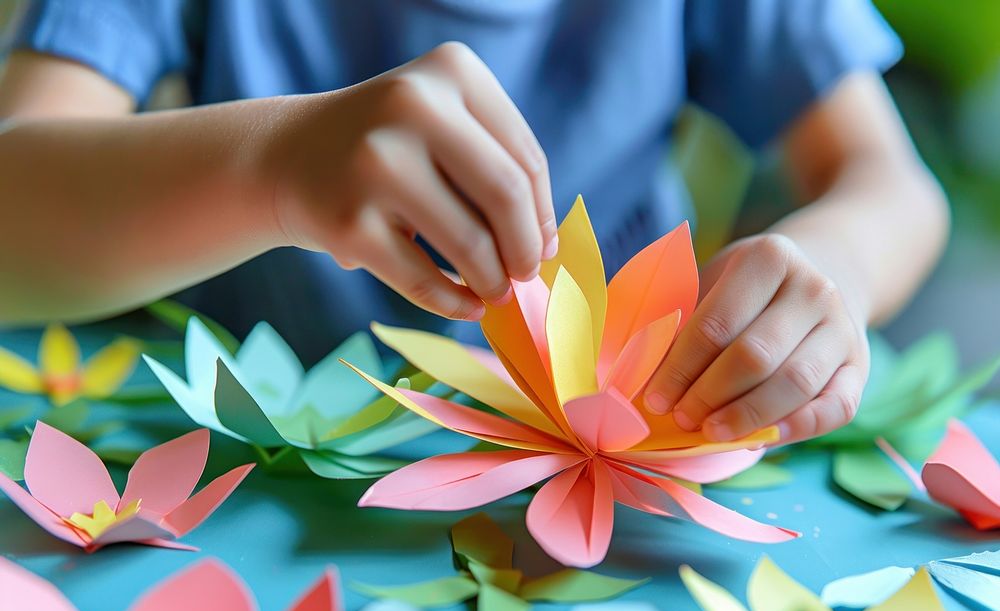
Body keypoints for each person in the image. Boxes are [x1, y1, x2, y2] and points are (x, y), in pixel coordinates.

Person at [0, 0, 948, 446]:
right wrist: (275, 165)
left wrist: (838, 265)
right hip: (244, 492)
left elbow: (893, 186)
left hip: (620, 509)